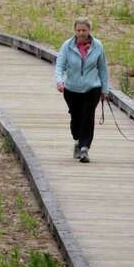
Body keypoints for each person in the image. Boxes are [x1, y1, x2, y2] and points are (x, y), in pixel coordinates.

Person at [54, 17, 110, 163]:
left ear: (89, 30)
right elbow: (59, 65)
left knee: (88, 116)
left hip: (92, 88)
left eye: (84, 30)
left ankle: (85, 148)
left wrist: (105, 89)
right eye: (78, 30)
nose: (81, 33)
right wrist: (59, 81)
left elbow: (103, 68)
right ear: (75, 31)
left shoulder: (98, 46)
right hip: (71, 89)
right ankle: (78, 140)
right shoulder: (67, 45)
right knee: (76, 118)